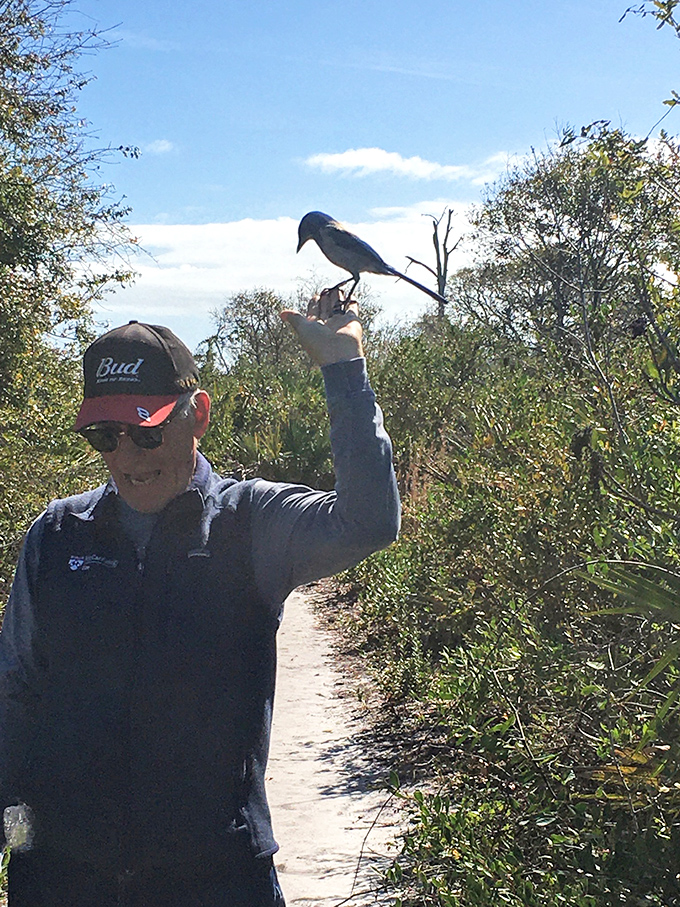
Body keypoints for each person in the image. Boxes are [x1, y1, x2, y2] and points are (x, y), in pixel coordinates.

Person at [0, 291, 400, 907]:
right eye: (105, 436)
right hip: (63, 874)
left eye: (147, 431)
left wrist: (344, 372)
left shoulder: (250, 523)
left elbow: (367, 522)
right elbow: (16, 691)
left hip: (215, 875)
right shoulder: (56, 535)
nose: (125, 456)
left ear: (199, 415)